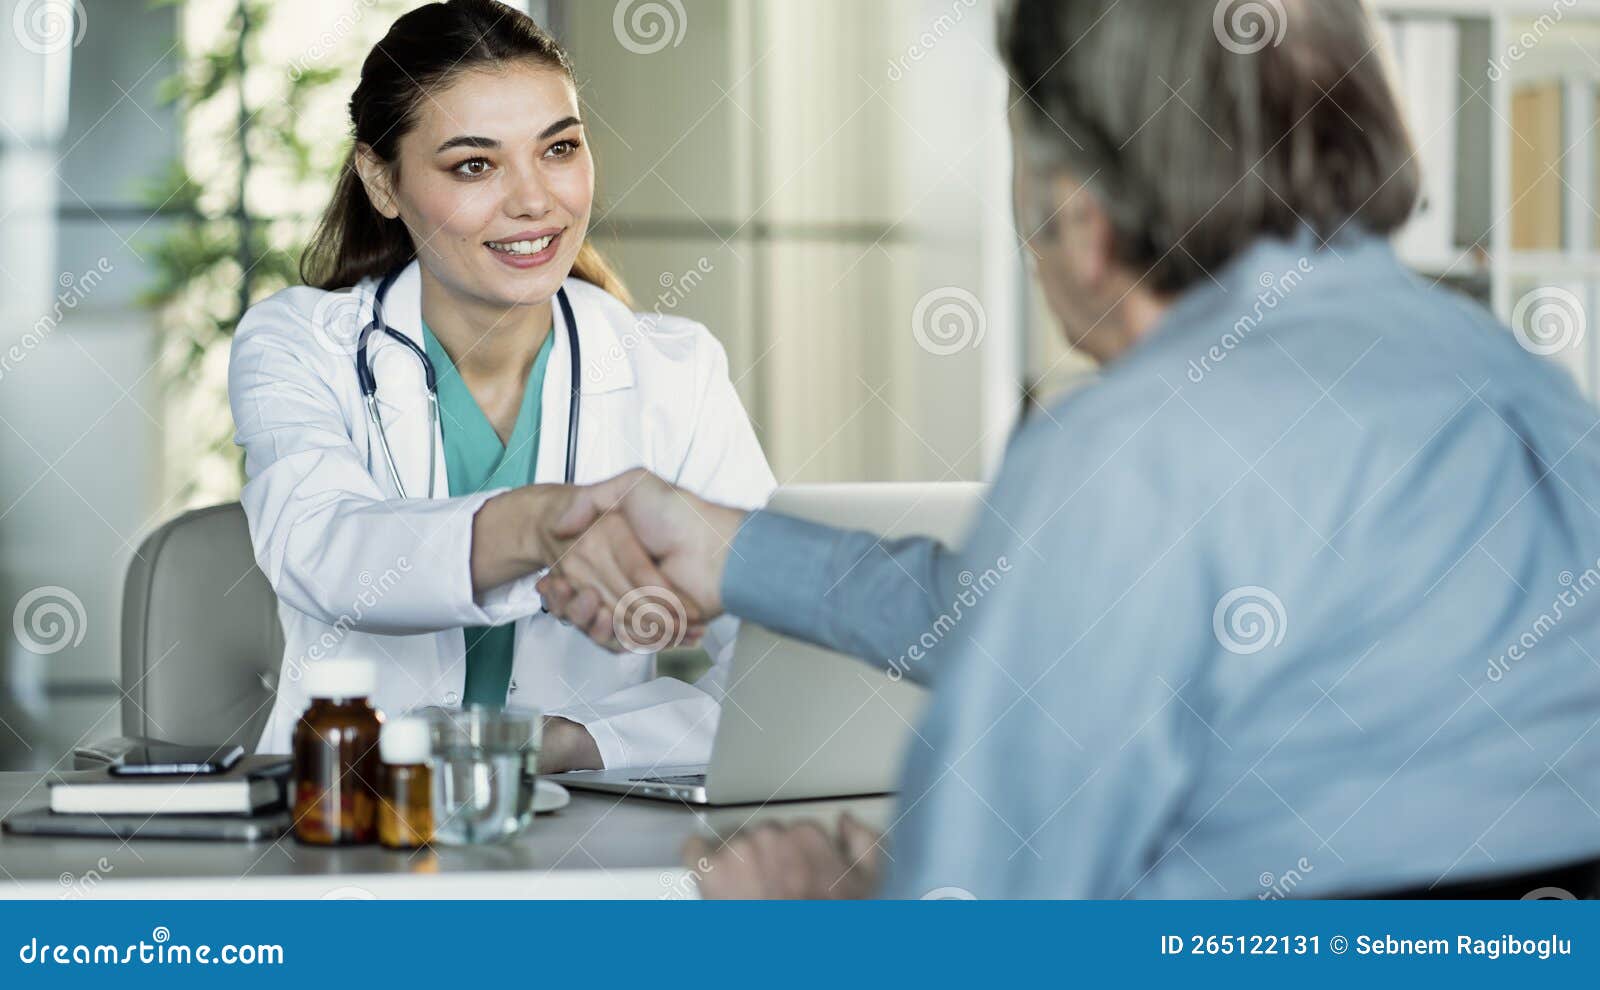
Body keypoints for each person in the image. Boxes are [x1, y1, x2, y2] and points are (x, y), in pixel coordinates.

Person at [539, 0, 1600, 898]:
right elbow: (1079, 620)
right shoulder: (1511, 376)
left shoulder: (1131, 446)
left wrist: (830, 910)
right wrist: (737, 554)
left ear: (1079, 217)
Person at [228, 0, 773, 770]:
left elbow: (778, 655)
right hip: (347, 811)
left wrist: (582, 740)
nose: (534, 201)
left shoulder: (674, 369)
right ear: (381, 181)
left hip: (583, 823)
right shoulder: (299, 343)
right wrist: (539, 526)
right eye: (474, 165)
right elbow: (322, 549)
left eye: (560, 149)